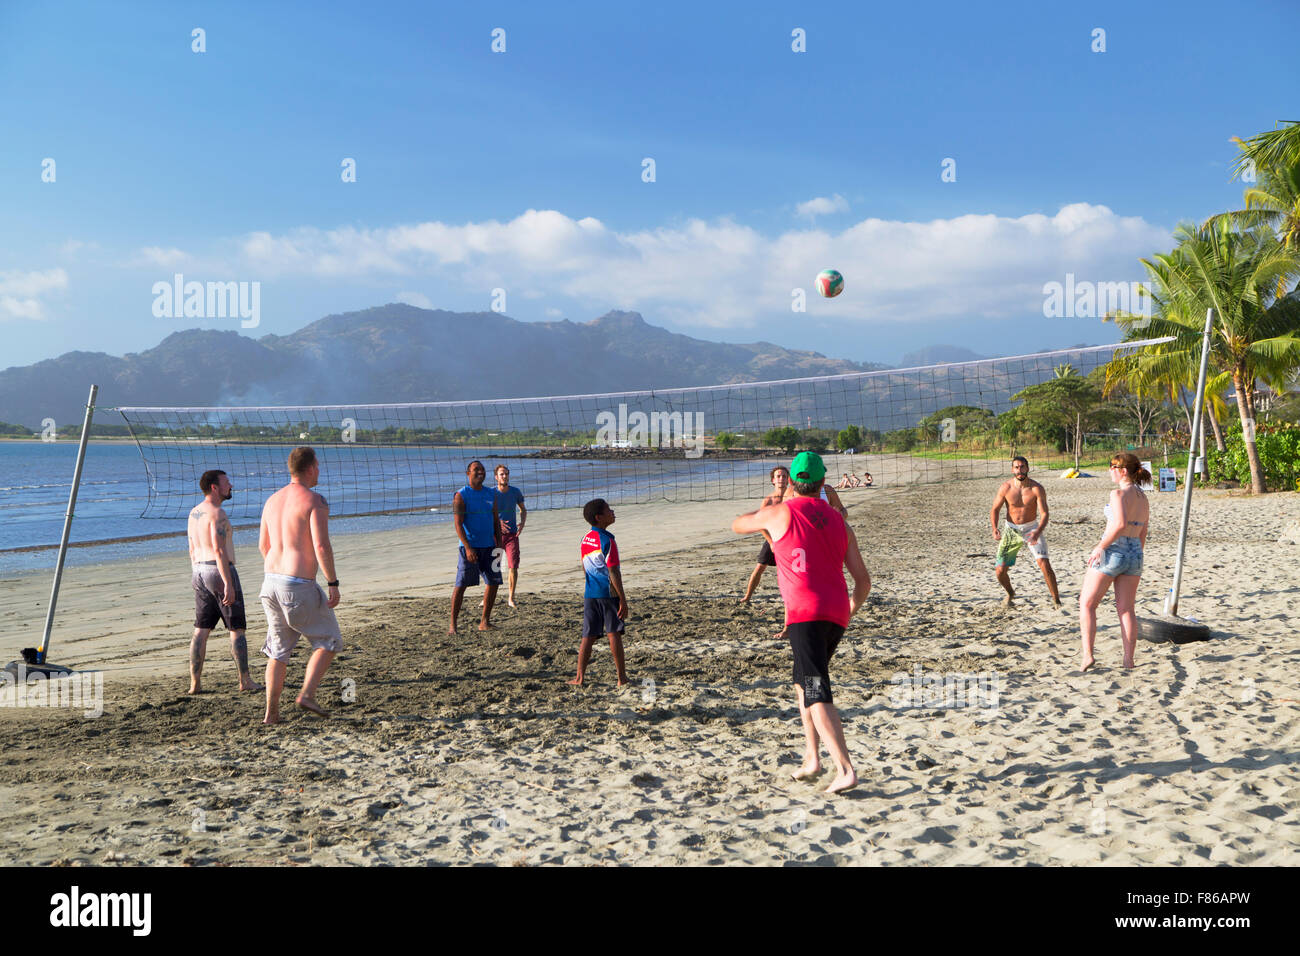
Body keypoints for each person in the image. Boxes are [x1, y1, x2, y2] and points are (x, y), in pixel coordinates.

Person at [732, 452, 871, 795]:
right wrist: (848, 612)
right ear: (823, 483)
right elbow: (863, 582)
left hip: (805, 615)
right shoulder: (841, 521)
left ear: (792, 482)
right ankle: (812, 758)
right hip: (836, 613)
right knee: (802, 683)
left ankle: (845, 768)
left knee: (815, 689)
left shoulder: (781, 512)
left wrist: (765, 512)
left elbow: (737, 524)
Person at [257, 447, 343, 723]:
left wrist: (280, 572)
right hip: (296, 584)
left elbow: (264, 546)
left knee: (279, 650)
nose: (319, 470)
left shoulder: (272, 500)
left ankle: (271, 714)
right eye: (317, 466)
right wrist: (332, 582)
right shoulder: (314, 500)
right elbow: (321, 545)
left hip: (270, 582)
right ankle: (306, 694)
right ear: (309, 469)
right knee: (329, 641)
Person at [186, 469, 261, 694]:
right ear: (214, 487)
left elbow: (191, 548)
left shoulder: (194, 512)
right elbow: (219, 550)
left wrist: (197, 575)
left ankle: (195, 685)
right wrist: (228, 583)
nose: (231, 486)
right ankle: (245, 680)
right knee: (237, 628)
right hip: (218, 571)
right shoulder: (218, 514)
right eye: (227, 483)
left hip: (198, 571)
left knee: (201, 629)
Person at [1079, 453, 1150, 672]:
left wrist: (1101, 547)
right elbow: (1143, 531)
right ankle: (1128, 660)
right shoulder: (1143, 497)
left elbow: (1119, 524)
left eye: (1112, 466)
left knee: (1087, 603)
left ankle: (1088, 655)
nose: (1109, 470)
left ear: (1123, 471)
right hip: (1135, 552)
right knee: (1126, 609)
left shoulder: (1118, 493)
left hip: (1114, 549)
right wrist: (1134, 554)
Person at [990, 456, 1062, 608]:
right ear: (1012, 470)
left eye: (1022, 467)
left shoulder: (1037, 488)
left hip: (1032, 528)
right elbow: (995, 509)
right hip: (1012, 529)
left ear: (1028, 468)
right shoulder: (1006, 487)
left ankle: (1056, 601)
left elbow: (1044, 514)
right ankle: (1010, 593)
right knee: (1000, 571)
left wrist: (1037, 532)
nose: (1020, 470)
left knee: (1044, 564)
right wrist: (995, 528)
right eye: (1016, 467)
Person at [572, 498, 629, 686]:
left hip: (590, 594)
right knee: (614, 634)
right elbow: (614, 571)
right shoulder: (608, 540)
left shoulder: (584, 539)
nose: (613, 512)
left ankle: (579, 677)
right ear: (599, 517)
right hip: (607, 593)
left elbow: (584, 566)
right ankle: (622, 678)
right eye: (609, 510)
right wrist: (622, 599)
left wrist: (590, 584)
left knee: (587, 636)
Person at [450, 460, 501, 634]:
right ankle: (453, 626)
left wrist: (499, 545)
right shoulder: (461, 495)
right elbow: (458, 525)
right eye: (476, 469)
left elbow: (496, 521)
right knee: (461, 585)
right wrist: (468, 547)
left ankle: (484, 621)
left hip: (489, 546)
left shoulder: (491, 494)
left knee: (494, 583)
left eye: (482, 469)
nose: (480, 472)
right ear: (468, 473)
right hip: (470, 548)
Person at [493, 464, 527, 608]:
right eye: (502, 474)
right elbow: (486, 513)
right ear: (496, 477)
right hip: (495, 535)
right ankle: (490, 597)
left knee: (513, 566)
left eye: (506, 474)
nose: (504, 476)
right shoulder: (491, 493)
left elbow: (523, 510)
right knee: (494, 568)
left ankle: (511, 598)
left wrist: (522, 524)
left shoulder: (515, 492)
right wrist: (497, 522)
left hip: (512, 535)